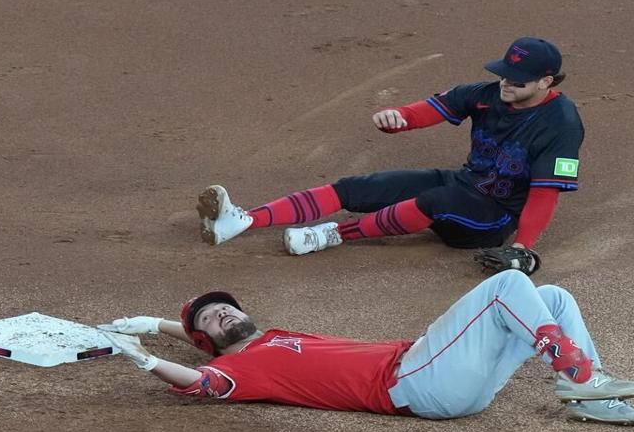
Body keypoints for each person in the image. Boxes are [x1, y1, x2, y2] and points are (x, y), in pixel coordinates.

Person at [199, 37, 582, 274]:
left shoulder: (562, 124)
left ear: (546, 82)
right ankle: (243, 221)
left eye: (517, 82)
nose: (505, 86)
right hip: (466, 183)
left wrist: (522, 247)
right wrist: (399, 119)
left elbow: (545, 193)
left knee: (434, 200)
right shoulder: (487, 93)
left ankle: (333, 235)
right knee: (364, 187)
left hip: (493, 217)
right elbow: (435, 107)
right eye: (503, 76)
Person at [99, 271, 634, 427]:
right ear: (208, 342)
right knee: (507, 287)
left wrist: (152, 322)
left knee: (553, 296)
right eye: (210, 318)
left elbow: (198, 337)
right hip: (417, 382)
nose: (223, 312)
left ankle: (593, 398)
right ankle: (582, 378)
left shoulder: (265, 338)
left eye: (225, 305)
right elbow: (203, 384)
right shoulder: (241, 368)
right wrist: (145, 360)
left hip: (446, 380)